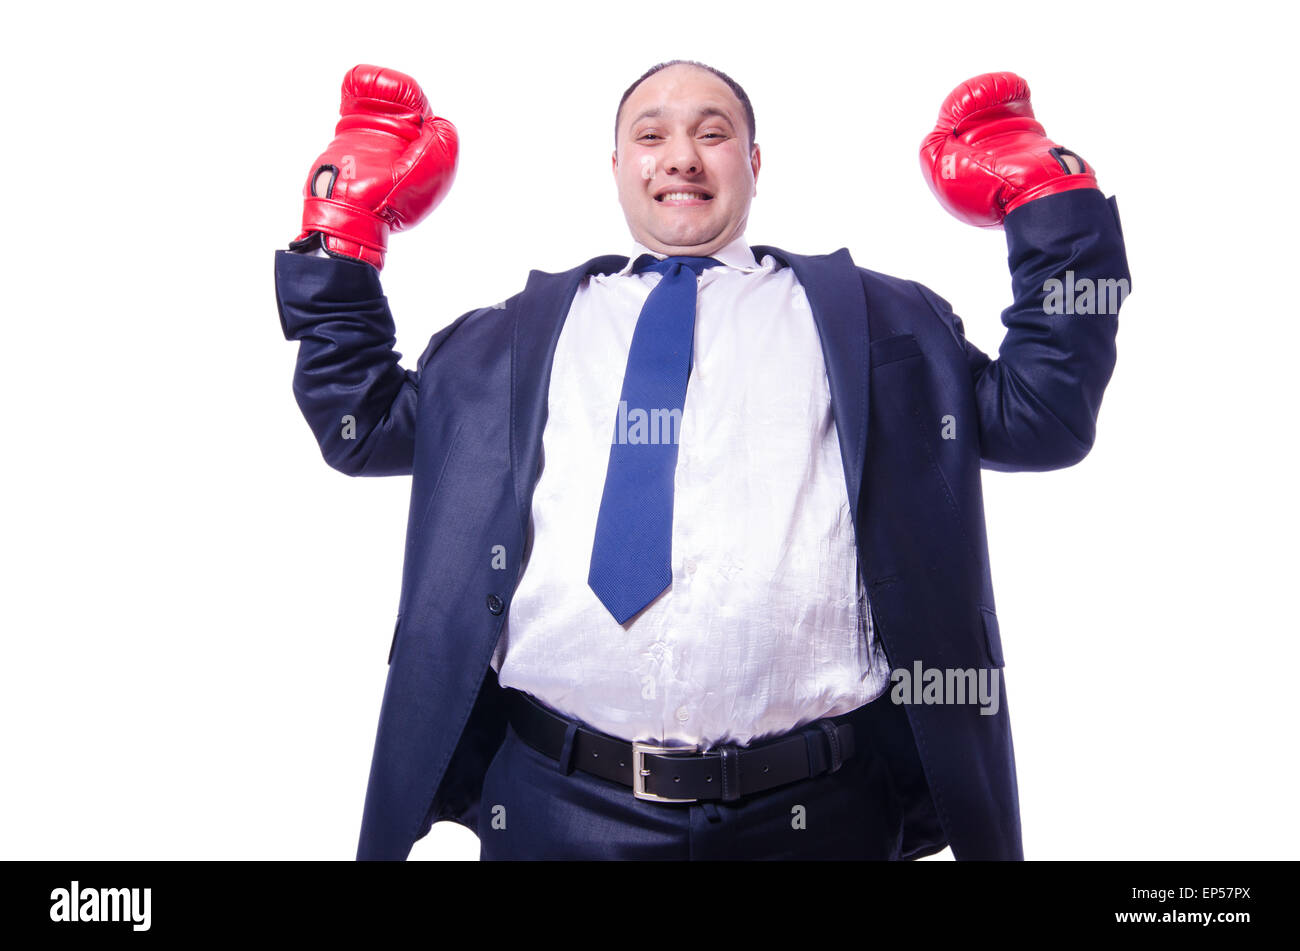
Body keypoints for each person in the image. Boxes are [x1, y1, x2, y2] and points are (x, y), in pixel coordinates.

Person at [273, 60, 1130, 860]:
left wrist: (1051, 204)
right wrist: (339, 232)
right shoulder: (500, 341)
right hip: (554, 803)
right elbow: (361, 422)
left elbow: (1044, 419)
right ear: (615, 166)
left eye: (712, 133)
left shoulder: (881, 321)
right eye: (651, 135)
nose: (681, 155)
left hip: (822, 811)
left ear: (754, 161)